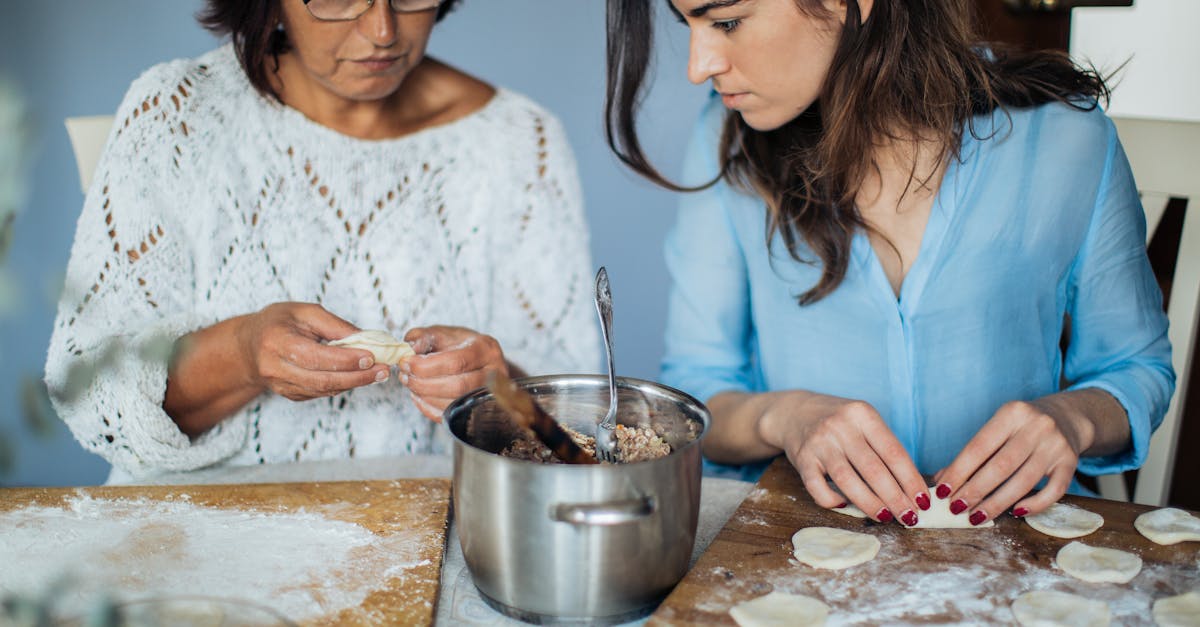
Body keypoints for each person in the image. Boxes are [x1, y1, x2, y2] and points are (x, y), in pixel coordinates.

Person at [604, 0, 1174, 526]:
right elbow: (697, 390)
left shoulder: (1066, 138)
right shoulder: (725, 140)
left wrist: (1072, 420)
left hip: (1021, 546)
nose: (698, 67)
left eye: (726, 22)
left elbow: (1136, 368)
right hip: (794, 537)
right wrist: (784, 416)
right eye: (691, 27)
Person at [45, 0, 598, 481]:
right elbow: (88, 395)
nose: (382, 30)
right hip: (195, 541)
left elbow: (573, 436)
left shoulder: (522, 142)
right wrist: (243, 354)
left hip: (424, 539)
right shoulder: (177, 114)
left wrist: (495, 392)